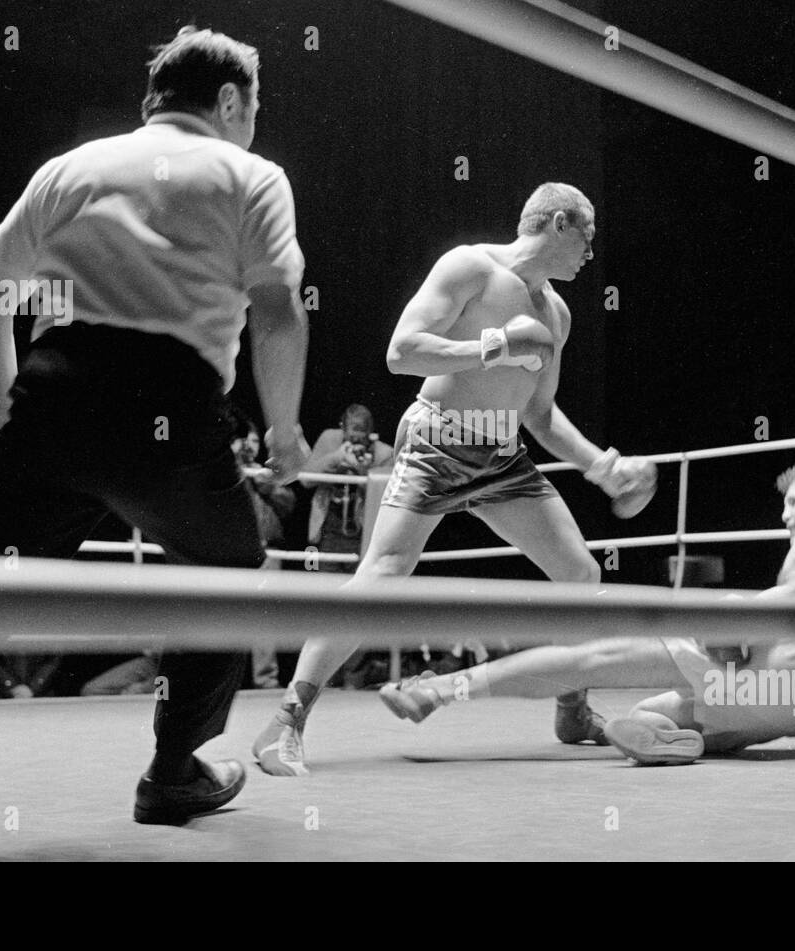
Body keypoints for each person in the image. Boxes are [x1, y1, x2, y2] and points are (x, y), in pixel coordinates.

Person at [0, 26, 308, 861]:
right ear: (228, 101)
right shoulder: (250, 173)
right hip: (174, 407)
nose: (255, 124)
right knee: (228, 580)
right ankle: (173, 767)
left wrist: (13, 413)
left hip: (57, 393)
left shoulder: (70, 168)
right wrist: (287, 428)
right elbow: (281, 310)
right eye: (253, 108)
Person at [253, 183, 659, 776]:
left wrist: (604, 468)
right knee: (385, 574)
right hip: (438, 438)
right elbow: (402, 352)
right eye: (588, 234)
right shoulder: (469, 265)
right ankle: (285, 720)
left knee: (580, 573)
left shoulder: (558, 314)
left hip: (502, 452)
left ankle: (573, 710)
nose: (592, 251)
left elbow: (540, 416)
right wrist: (495, 344)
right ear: (559, 223)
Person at [379, 457, 795, 763]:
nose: (784, 516)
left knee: (596, 658)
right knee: (649, 715)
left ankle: (440, 691)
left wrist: (745, 615)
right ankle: (682, 741)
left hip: (784, 664)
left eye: (792, 502)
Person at [302, 404, 395, 686]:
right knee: (325, 606)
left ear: (371, 433)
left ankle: (354, 678)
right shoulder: (330, 440)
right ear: (343, 429)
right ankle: (319, 679)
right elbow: (306, 478)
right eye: (351, 433)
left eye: (362, 434)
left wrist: (364, 473)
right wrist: (335, 459)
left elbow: (387, 496)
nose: (356, 440)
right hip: (327, 536)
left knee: (358, 607)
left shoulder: (384, 453)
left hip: (363, 540)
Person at [234, 418, 297, 688]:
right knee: (228, 616)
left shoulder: (263, 475)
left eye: (256, 440)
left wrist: (267, 485)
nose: (250, 445)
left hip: (268, 550)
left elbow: (289, 504)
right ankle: (224, 685)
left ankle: (266, 681)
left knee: (264, 616)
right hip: (232, 552)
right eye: (244, 439)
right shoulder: (223, 473)